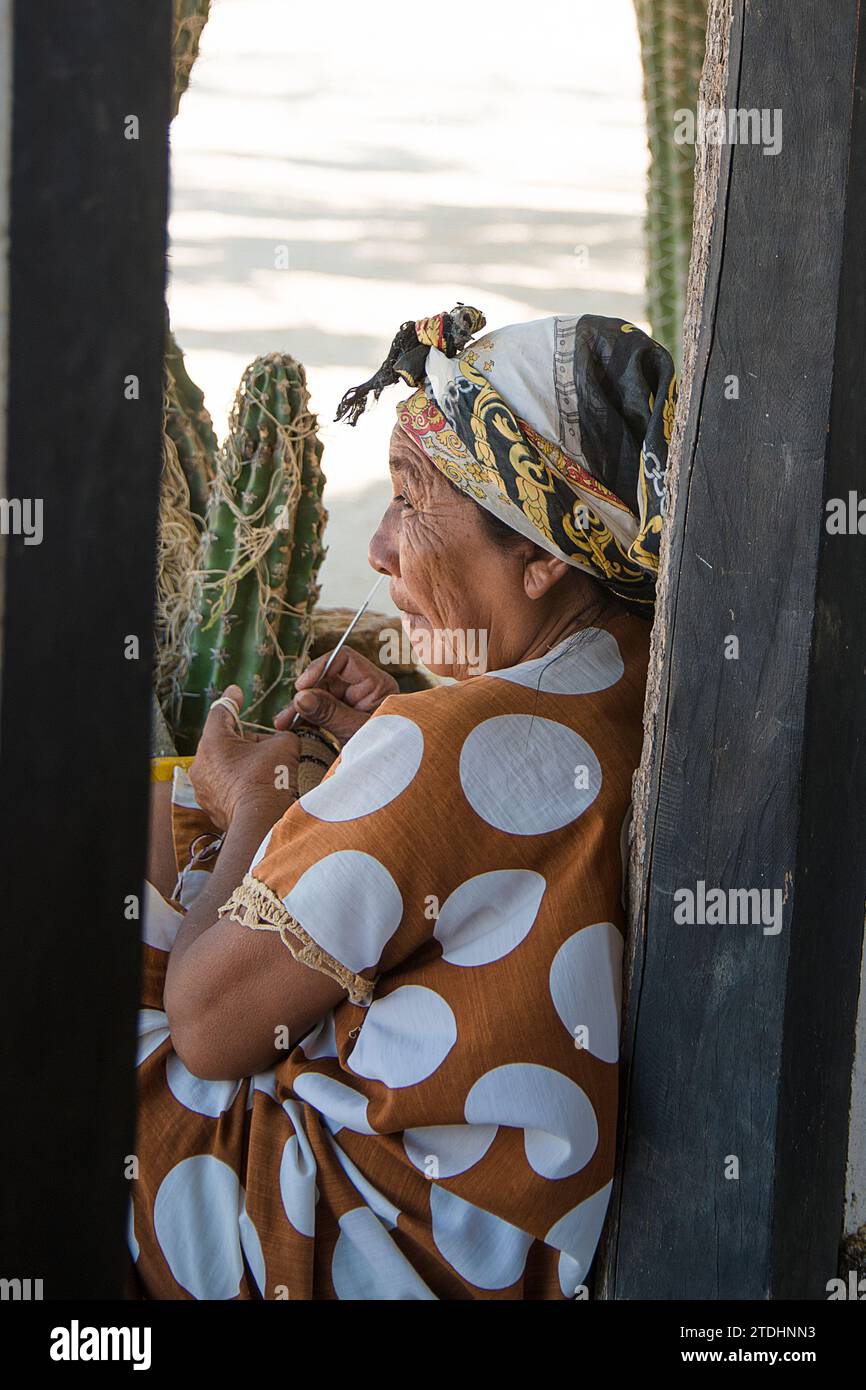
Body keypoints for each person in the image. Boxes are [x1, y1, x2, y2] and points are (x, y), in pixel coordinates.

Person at [130, 309, 677, 1300]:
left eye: (408, 503)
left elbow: (209, 1033)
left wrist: (257, 803)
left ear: (544, 556)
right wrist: (397, 745)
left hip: (378, 1236)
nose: (377, 550)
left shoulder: (440, 747)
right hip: (512, 1234)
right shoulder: (638, 675)